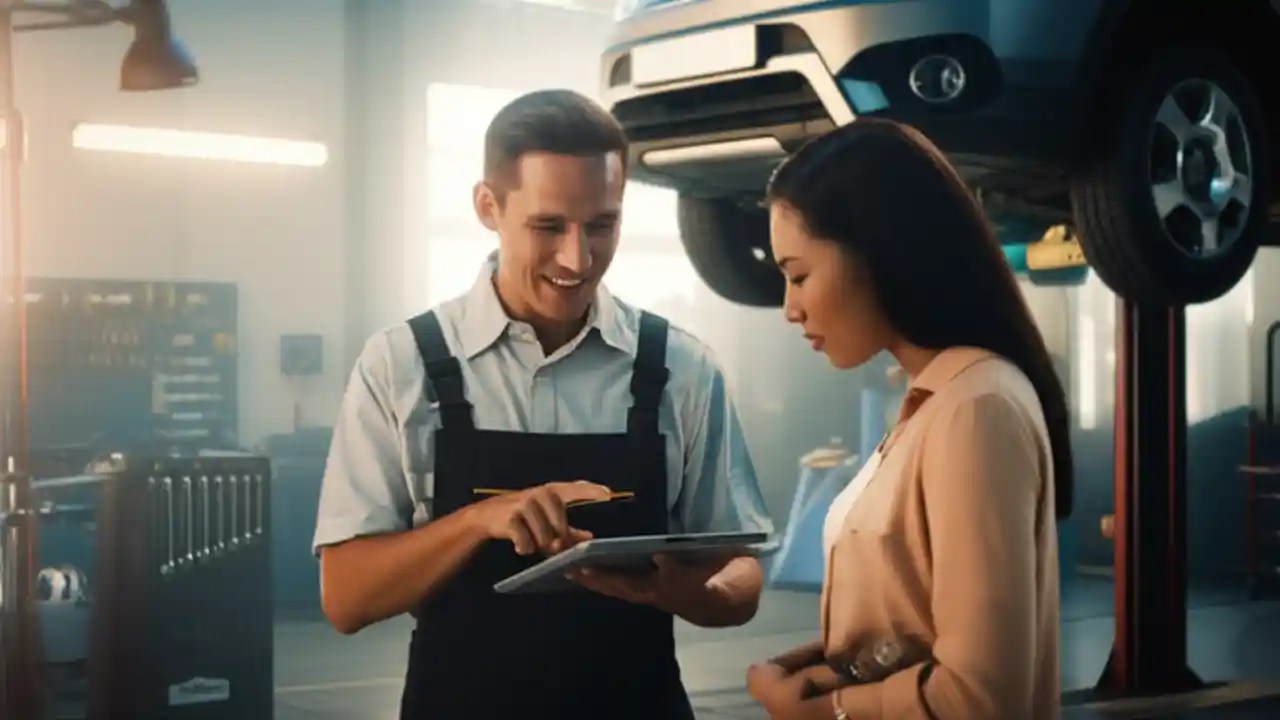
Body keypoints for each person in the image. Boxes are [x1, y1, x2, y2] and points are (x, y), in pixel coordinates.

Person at [312, 88, 774, 720]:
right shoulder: (400, 365)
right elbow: (347, 598)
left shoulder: (681, 369)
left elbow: (740, 576)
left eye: (602, 225)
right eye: (548, 226)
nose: (577, 258)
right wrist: (477, 521)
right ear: (487, 206)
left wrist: (686, 589)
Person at [745, 119, 1072, 720]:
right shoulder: (935, 402)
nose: (790, 308)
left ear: (878, 251)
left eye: (799, 275)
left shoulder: (976, 410)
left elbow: (978, 698)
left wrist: (823, 711)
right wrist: (818, 667)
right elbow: (916, 625)